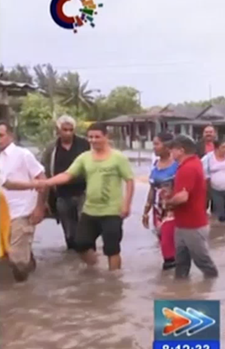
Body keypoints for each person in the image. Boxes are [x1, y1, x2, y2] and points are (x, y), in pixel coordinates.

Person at [40, 123, 135, 270]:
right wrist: (45, 182)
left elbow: (129, 181)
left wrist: (127, 205)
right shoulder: (84, 158)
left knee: (112, 249)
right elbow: (67, 175)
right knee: (80, 244)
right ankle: (95, 268)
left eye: (97, 137)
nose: (93, 140)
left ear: (106, 137)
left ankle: (114, 281)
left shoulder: (118, 158)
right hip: (90, 210)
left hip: (112, 211)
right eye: (90, 137)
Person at [164, 135, 219, 279]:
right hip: (185, 223)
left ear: (181, 150)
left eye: (172, 149)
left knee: (204, 263)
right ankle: (182, 292)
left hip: (192, 225)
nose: (170, 152)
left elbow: (183, 197)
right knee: (181, 264)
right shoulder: (194, 163)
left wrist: (168, 203)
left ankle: (212, 289)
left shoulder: (187, 168)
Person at [0, 121, 47, 282]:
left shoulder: (23, 154)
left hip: (21, 211)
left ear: (10, 136)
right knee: (6, 254)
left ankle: (24, 296)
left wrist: (40, 207)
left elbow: (42, 180)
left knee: (17, 260)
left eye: (1, 135)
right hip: (2, 214)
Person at [40, 115, 91, 250]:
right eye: (65, 129)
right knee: (69, 232)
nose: (68, 132)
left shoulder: (85, 144)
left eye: (70, 129)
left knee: (85, 228)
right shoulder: (51, 148)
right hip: (62, 194)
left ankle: (87, 259)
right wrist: (44, 199)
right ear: (58, 130)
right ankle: (72, 258)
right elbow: (44, 171)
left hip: (84, 193)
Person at [142, 132, 178, 270]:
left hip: (172, 210)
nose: (154, 147)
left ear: (168, 146)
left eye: (157, 144)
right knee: (163, 242)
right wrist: (146, 211)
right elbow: (152, 190)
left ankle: (172, 279)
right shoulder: (155, 164)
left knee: (167, 245)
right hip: (158, 211)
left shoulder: (177, 165)